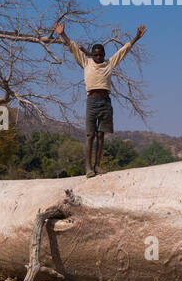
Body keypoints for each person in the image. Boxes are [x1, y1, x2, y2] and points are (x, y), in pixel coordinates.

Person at [54, 20, 146, 176]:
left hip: (105, 102)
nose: (98, 57)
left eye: (100, 55)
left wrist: (136, 38)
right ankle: (88, 167)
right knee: (90, 135)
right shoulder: (86, 62)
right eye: (95, 54)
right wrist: (62, 34)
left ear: (104, 55)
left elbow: (123, 51)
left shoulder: (109, 64)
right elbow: (73, 47)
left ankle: (97, 165)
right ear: (92, 54)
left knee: (101, 135)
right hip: (92, 102)